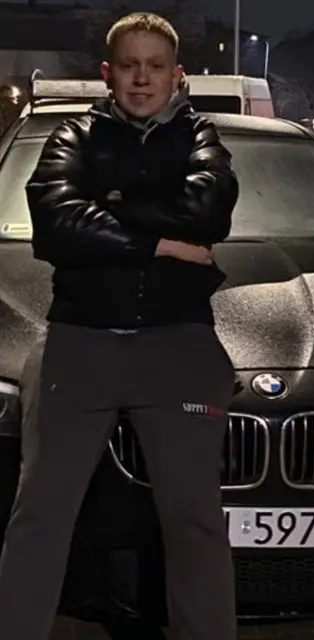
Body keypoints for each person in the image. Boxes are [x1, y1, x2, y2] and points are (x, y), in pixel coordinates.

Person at [0, 11, 239, 640]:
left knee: (195, 522)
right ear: (108, 73)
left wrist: (107, 206)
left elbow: (208, 210)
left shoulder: (201, 136)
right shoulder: (71, 136)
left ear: (177, 74)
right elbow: (56, 226)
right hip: (80, 342)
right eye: (129, 65)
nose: (141, 78)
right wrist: (163, 243)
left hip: (177, 344)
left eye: (154, 66)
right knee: (39, 516)